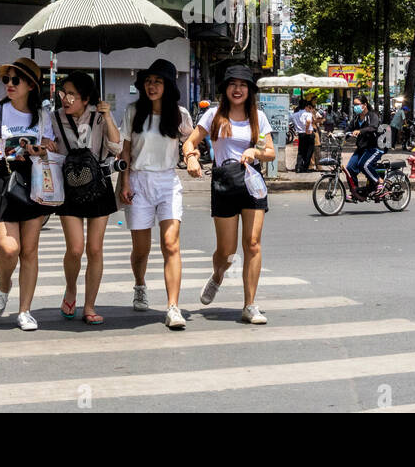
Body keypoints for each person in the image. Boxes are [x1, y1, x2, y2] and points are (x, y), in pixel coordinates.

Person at [183, 64, 276, 325]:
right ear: (225, 89)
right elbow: (190, 141)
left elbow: (270, 152)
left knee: (253, 243)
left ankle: (250, 305)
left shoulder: (258, 117)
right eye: (233, 84)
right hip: (224, 181)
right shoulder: (213, 115)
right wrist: (191, 158)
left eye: (243, 85)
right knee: (227, 251)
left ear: (250, 90)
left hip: (252, 181)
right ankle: (217, 276)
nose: (238, 89)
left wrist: (255, 152)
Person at [0, 57, 54, 332]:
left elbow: (51, 148)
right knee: (9, 248)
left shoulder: (43, 116)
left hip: (33, 184)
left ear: (31, 85)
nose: (9, 84)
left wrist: (43, 150)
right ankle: (4, 285)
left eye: (15, 80)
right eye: (6, 79)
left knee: (30, 251)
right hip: (2, 181)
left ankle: (25, 310)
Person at [122, 59, 193, 329]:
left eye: (158, 81)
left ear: (168, 85)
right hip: (139, 181)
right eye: (148, 82)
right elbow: (125, 152)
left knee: (171, 244)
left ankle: (173, 307)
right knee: (141, 249)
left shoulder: (180, 114)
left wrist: (192, 156)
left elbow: (189, 141)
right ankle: (140, 285)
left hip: (167, 182)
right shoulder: (132, 111)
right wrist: (125, 183)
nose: (152, 86)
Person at [49, 71, 122, 327]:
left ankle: (89, 305)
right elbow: (48, 147)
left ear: (85, 98)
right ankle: (71, 289)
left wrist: (108, 115)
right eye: (63, 93)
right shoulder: (54, 119)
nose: (65, 100)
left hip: (99, 186)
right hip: (68, 188)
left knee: (94, 249)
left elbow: (116, 147)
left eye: (71, 95)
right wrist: (45, 146)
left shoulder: (100, 117)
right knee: (76, 248)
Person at [345, 95, 383, 197]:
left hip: (375, 148)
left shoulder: (372, 116)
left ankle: (378, 181)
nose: (355, 107)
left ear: (364, 105)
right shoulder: (356, 119)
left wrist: (360, 131)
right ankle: (355, 191)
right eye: (354, 105)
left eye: (357, 104)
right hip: (362, 148)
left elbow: (373, 127)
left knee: (364, 165)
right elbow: (348, 129)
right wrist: (338, 135)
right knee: (350, 168)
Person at [292, 99, 317, 172]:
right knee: (309, 151)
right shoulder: (307, 113)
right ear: (306, 106)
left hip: (300, 134)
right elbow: (308, 121)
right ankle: (305, 167)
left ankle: (299, 167)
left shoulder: (295, 115)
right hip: (308, 134)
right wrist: (306, 130)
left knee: (301, 151)